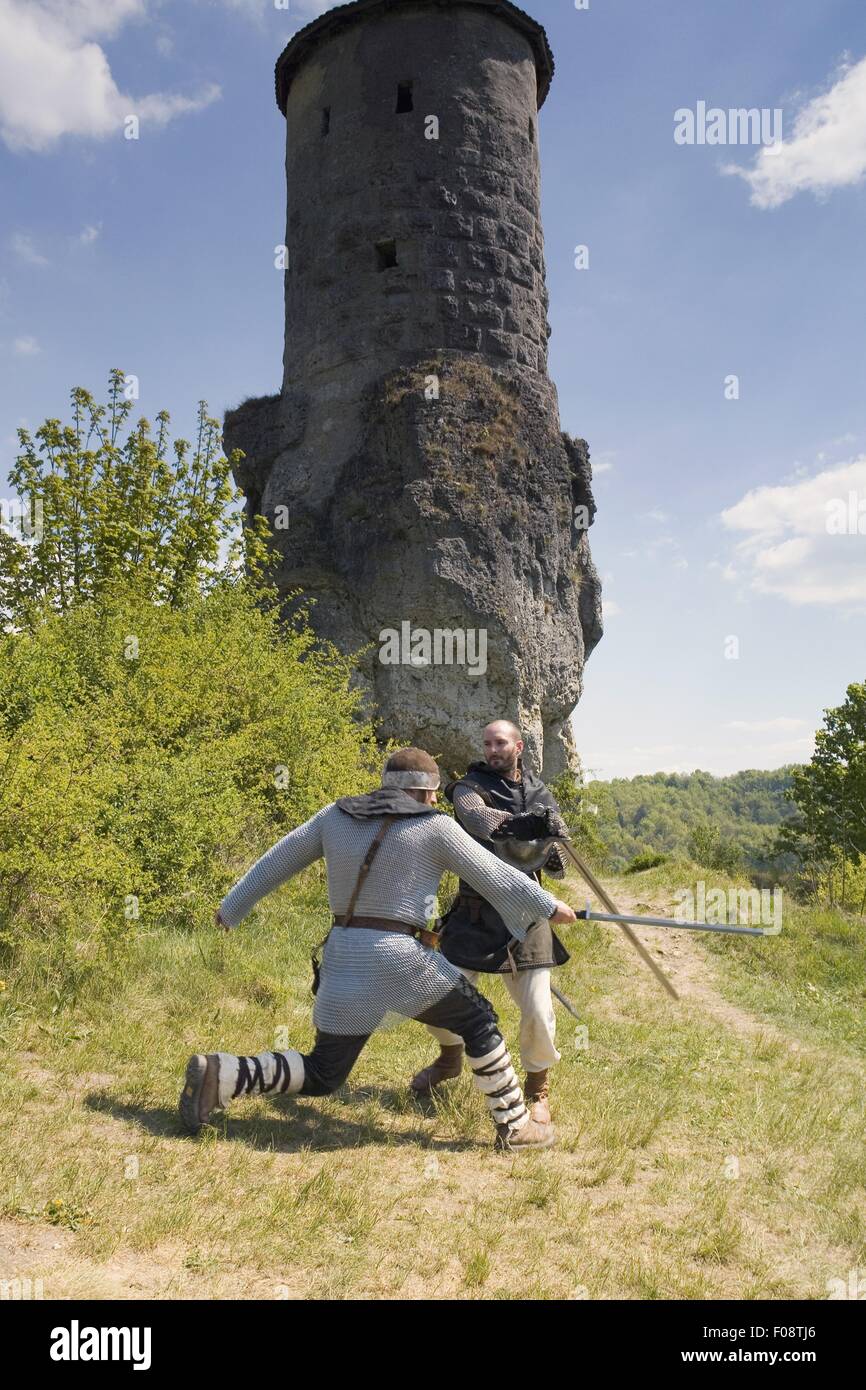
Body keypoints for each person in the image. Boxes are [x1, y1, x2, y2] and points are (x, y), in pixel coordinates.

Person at [179, 747, 577, 1151]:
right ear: (423, 792)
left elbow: (278, 859)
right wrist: (549, 906)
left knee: (324, 1072)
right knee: (478, 1020)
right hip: (400, 959)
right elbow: (494, 875)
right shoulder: (435, 827)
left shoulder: (335, 816)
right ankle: (515, 1126)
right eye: (435, 792)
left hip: (343, 957)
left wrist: (232, 908)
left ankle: (221, 1074)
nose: (438, 800)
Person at [411, 720, 571, 1124]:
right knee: (435, 996)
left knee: (537, 1009)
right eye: (487, 744)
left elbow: (556, 870)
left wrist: (551, 850)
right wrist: (530, 825)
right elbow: (481, 823)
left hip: (527, 916)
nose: (492, 750)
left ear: (518, 746)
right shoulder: (469, 788)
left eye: (500, 743)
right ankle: (450, 1059)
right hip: (475, 913)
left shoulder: (539, 793)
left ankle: (538, 1091)